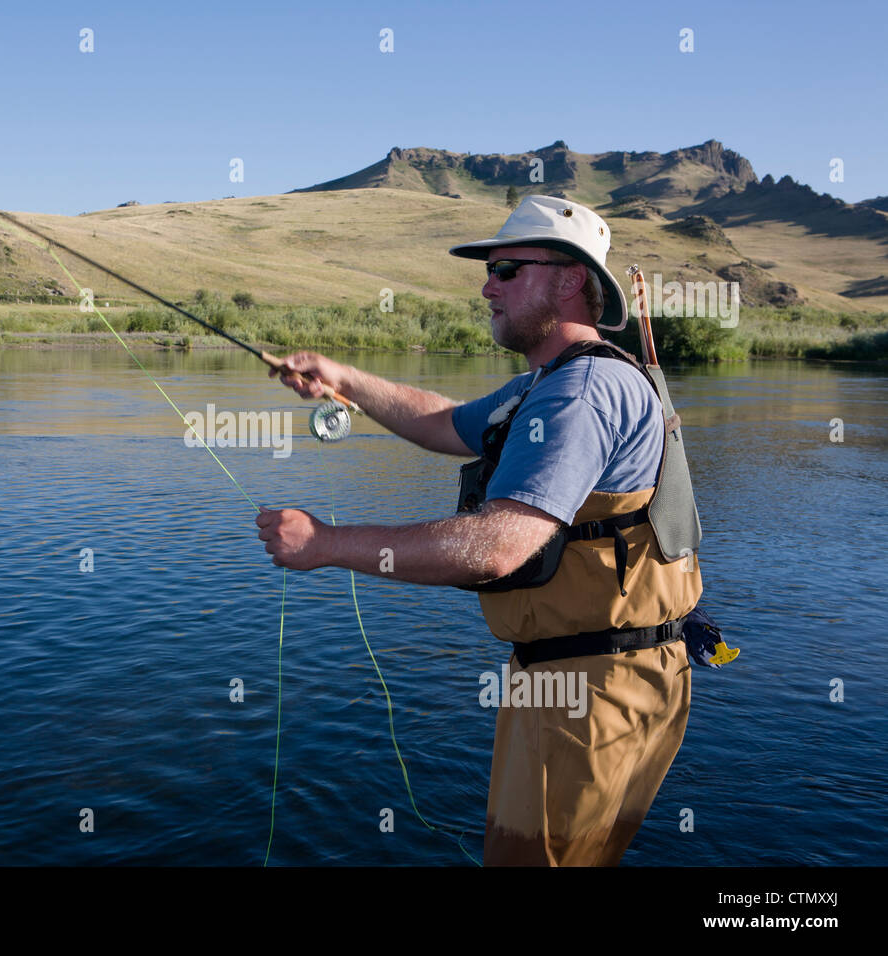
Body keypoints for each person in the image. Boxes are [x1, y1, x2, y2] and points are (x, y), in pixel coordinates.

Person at [255, 195, 701, 866]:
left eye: (508, 270)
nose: (487, 286)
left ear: (571, 278)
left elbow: (498, 547)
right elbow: (443, 420)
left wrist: (325, 546)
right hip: (593, 674)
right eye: (488, 270)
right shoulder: (548, 383)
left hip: (592, 690)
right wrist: (342, 377)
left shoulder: (579, 396)